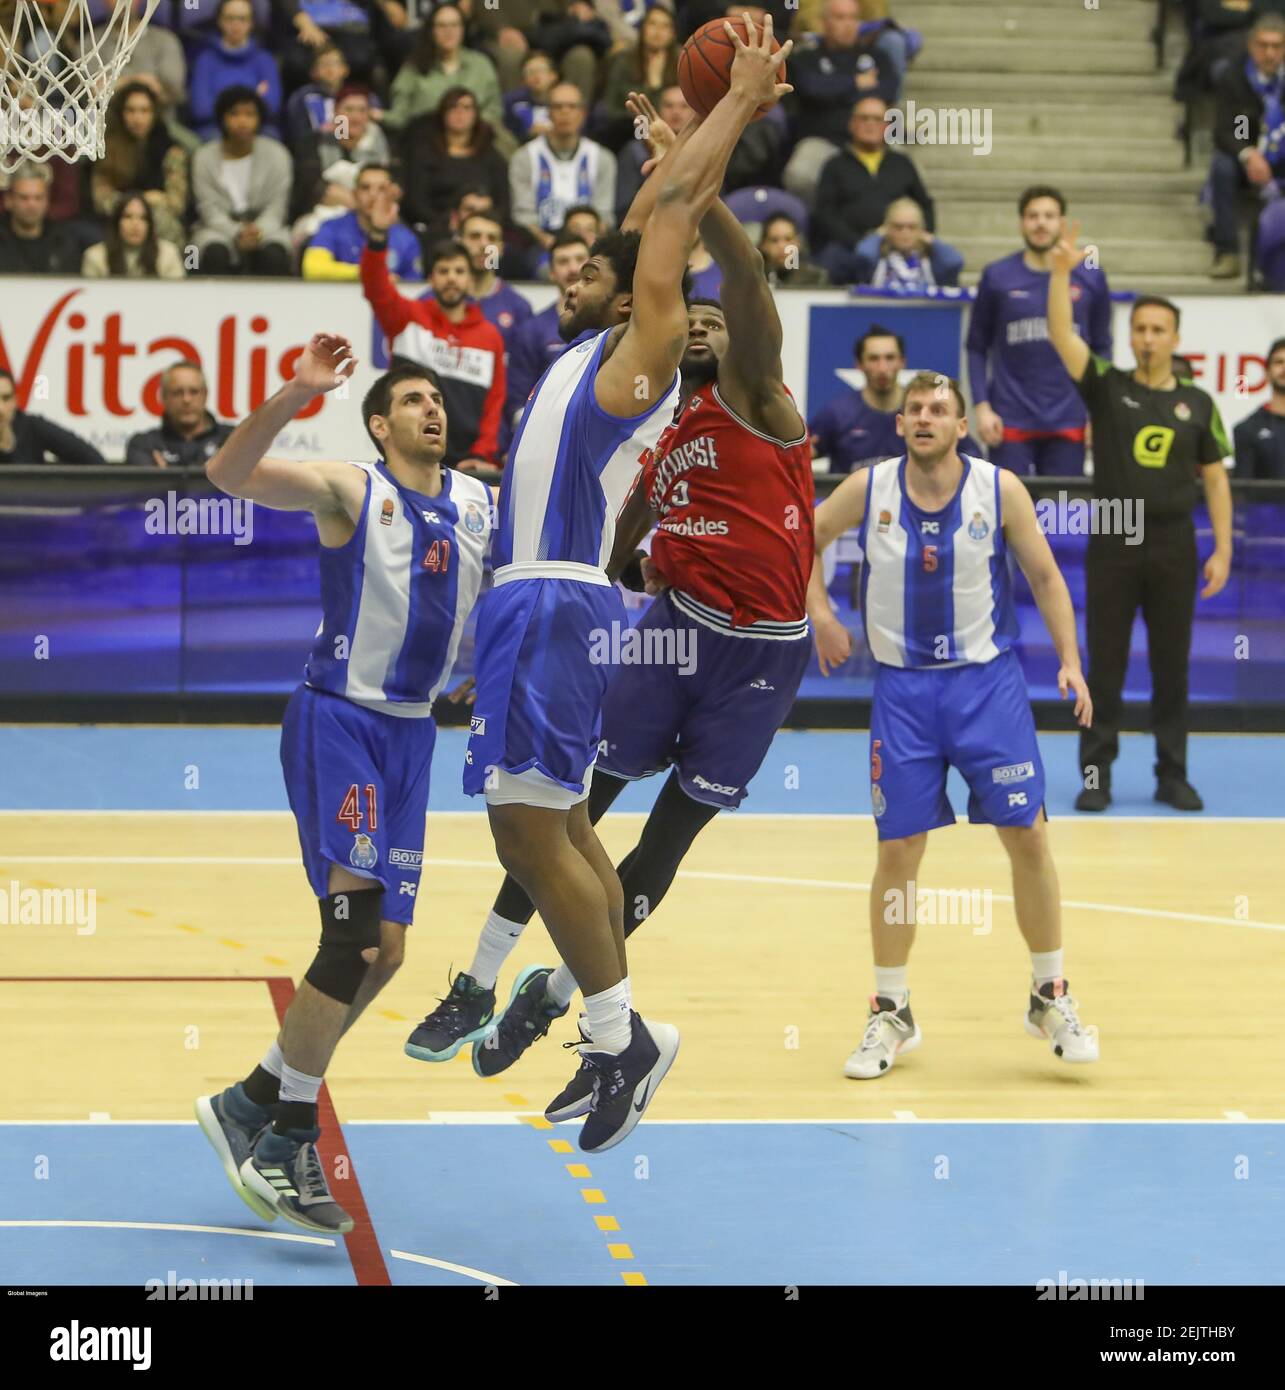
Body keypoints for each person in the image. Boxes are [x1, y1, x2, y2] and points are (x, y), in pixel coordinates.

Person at [408, 17, 791, 1155]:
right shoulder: (583, 356)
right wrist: (682, 136)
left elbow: (669, 221)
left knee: (527, 835)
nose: (567, 271)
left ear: (637, 299)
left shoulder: (645, 350)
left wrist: (731, 111)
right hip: (550, 605)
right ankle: (619, 1034)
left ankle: (622, 1035)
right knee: (561, 825)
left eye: (588, 268)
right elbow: (655, 215)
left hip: (558, 604)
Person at [195, 347, 494, 1234]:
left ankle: (250, 1100)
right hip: (340, 721)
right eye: (411, 399)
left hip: (412, 734)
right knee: (353, 934)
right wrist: (294, 394)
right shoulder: (350, 491)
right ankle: (287, 1134)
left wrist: (485, 664)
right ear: (378, 424)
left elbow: (495, 595)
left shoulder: (478, 500)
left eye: (437, 398)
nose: (430, 409)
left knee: (388, 949)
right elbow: (227, 471)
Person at [807, 371, 1100, 1079]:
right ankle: (889, 1011)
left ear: (960, 425)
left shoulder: (998, 489)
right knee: (897, 852)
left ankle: (1049, 993)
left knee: (1025, 834)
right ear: (900, 423)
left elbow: (1045, 578)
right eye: (914, 409)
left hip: (987, 687)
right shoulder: (867, 487)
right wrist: (818, 613)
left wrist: (1069, 659)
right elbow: (802, 538)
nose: (925, 418)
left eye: (939, 409)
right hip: (903, 693)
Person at [1045, 222, 1233, 813]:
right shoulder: (1108, 384)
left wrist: (1222, 548)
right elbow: (1059, 335)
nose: (1148, 337)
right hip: (1114, 536)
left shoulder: (1199, 403)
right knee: (1105, 661)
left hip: (1176, 542)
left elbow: (1217, 478)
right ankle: (1096, 774)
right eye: (1140, 329)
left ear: (1176, 337)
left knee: (1171, 665)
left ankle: (1172, 774)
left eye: (1158, 329)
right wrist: (1059, 275)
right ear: (1130, 336)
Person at [966, 186, 1111, 477]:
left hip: (1068, 418)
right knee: (1009, 516)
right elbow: (976, 347)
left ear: (1062, 222)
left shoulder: (1091, 276)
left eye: (1049, 216)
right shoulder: (997, 275)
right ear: (1021, 223)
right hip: (1009, 418)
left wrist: (1099, 411)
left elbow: (1102, 348)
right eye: (1032, 216)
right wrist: (982, 407)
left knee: (1062, 518)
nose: (1041, 223)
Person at [362, 220, 507, 471]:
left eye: (459, 271)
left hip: (465, 466)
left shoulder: (489, 336)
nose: (451, 278)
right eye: (443, 271)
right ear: (431, 278)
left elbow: (494, 405)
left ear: (470, 280)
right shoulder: (407, 317)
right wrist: (377, 238)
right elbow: (376, 288)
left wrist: (482, 455)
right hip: (406, 457)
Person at [810, 325, 979, 474]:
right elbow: (800, 457)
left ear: (902, 362)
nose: (882, 368)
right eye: (873, 359)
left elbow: (973, 458)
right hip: (854, 507)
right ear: (859, 364)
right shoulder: (836, 414)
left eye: (890, 358)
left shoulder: (923, 411)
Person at [782, 0, 898, 205]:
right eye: (840, 17)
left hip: (871, 143)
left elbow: (888, 91)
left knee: (906, 168)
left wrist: (834, 92)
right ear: (824, 22)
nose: (848, 24)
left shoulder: (878, 57)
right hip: (822, 141)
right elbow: (811, 89)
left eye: (853, 18)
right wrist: (857, 83)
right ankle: (812, 231)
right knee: (798, 174)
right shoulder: (806, 58)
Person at [812, 95, 934, 284]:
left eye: (877, 119)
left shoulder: (902, 163)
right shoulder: (834, 165)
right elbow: (824, 213)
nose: (870, 124)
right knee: (828, 262)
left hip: (898, 247)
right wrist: (858, 242)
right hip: (847, 249)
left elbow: (924, 204)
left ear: (887, 126)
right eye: (864, 118)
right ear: (852, 124)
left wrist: (919, 237)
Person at [1209, 11, 1285, 277]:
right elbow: (1227, 129)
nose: (1270, 53)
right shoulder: (1235, 77)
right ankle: (1228, 252)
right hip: (1247, 155)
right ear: (1252, 46)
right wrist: (1248, 153)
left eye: (1277, 46)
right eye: (1263, 46)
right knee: (1221, 166)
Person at [192, 85, 294, 276]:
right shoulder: (204, 157)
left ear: (259, 119)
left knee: (275, 255)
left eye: (250, 114)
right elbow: (207, 209)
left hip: (267, 228)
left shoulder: (277, 154)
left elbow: (277, 207)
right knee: (212, 254)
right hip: (218, 229)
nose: (242, 121)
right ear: (222, 118)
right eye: (234, 114)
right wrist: (237, 232)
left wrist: (258, 231)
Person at [502, 226, 590, 447]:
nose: (572, 268)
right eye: (562, 261)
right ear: (551, 272)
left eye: (579, 259)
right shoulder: (531, 330)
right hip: (546, 443)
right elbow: (517, 406)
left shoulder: (613, 325)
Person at [509, 82, 616, 254]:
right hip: (542, 243)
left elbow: (604, 215)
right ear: (548, 113)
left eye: (572, 107)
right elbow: (523, 216)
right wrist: (551, 244)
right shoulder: (524, 157)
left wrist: (587, 246)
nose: (565, 112)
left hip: (590, 243)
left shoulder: (603, 158)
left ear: (583, 114)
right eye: (558, 107)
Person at [400, 87, 511, 242]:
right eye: (453, 107)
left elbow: (503, 203)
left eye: (466, 108)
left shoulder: (492, 156)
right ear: (442, 114)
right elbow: (415, 202)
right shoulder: (423, 153)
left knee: (497, 256)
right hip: (435, 230)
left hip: (484, 231)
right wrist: (445, 224)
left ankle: (489, 265)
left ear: (476, 114)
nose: (460, 113)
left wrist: (482, 225)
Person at [384, 2, 506, 140]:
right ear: (431, 30)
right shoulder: (414, 67)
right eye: (442, 26)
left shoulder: (481, 64)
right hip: (426, 142)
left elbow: (494, 111)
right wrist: (378, 116)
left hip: (475, 143)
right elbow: (400, 116)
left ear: (463, 29)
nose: (449, 31)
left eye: (454, 25)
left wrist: (467, 128)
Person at [92, 81, 189, 248]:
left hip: (158, 223)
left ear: (154, 114)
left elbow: (176, 203)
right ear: (121, 113)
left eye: (145, 111)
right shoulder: (106, 148)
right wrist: (144, 199)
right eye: (131, 110)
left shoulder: (172, 151)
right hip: (116, 221)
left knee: (167, 223)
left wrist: (129, 201)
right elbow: (101, 200)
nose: (138, 118)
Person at [302, 161, 420, 279]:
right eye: (365, 188)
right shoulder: (331, 228)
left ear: (392, 195)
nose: (373, 194)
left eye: (382, 189)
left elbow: (414, 287)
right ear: (354, 194)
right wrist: (368, 273)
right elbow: (313, 269)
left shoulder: (406, 238)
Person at [290, 82, 390, 219]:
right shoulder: (314, 142)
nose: (355, 117)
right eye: (348, 109)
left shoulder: (380, 142)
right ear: (336, 112)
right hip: (322, 214)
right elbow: (309, 188)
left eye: (362, 110)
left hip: (371, 216)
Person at [188, 0, 284, 141]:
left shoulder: (264, 59)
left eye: (242, 19)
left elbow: (272, 106)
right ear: (220, 21)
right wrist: (253, 96)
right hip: (214, 131)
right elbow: (200, 109)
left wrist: (220, 100)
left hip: (258, 131)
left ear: (251, 23)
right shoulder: (206, 60)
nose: (236, 25)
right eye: (230, 18)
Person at [125, 361, 235, 468]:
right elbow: (147, 486)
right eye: (177, 392)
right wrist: (210, 475)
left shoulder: (232, 440)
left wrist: (165, 478)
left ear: (205, 395)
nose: (186, 399)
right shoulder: (144, 445)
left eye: (194, 391)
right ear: (163, 397)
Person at [599, 3, 679, 148]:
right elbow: (610, 110)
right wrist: (652, 85)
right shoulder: (624, 61)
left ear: (673, 33)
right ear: (642, 29)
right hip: (633, 133)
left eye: (665, 26)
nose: (658, 31)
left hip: (676, 133)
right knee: (636, 149)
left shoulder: (683, 62)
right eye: (652, 24)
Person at [455, 208, 534, 342]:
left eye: (491, 238)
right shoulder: (433, 301)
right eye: (475, 236)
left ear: (501, 249)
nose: (484, 245)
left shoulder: (519, 307)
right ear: (459, 242)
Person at [851, 196, 963, 289]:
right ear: (887, 229)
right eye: (898, 227)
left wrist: (930, 239)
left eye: (912, 227)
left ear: (921, 229)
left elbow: (954, 262)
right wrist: (879, 234)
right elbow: (863, 254)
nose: (905, 233)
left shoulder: (931, 261)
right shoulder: (876, 259)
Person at [0, 369, 106, 466]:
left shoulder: (31, 427)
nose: (0, 408)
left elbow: (92, 460)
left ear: (15, 401)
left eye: (6, 398)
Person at [82, 192, 187, 279]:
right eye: (128, 217)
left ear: (150, 225)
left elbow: (178, 299)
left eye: (143, 218)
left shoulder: (168, 254)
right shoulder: (95, 257)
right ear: (116, 222)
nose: (135, 224)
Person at [0, 165, 81, 275]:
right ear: (8, 200)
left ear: (47, 201)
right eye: (24, 197)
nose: (31, 205)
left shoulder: (64, 241)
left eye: (38, 197)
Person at [1233, 335, 1285, 476]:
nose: (1284, 367)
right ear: (1267, 372)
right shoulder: (1247, 429)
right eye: (1279, 362)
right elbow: (1244, 490)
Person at [758, 211, 829, 287]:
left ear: (798, 243)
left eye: (788, 239)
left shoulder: (816, 278)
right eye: (774, 240)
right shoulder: (755, 278)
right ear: (763, 245)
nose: (782, 246)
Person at [504, 48, 559, 143]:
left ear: (553, 75)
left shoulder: (564, 101)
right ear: (523, 80)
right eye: (530, 72)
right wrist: (528, 133)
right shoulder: (511, 102)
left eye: (541, 70)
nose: (536, 76)